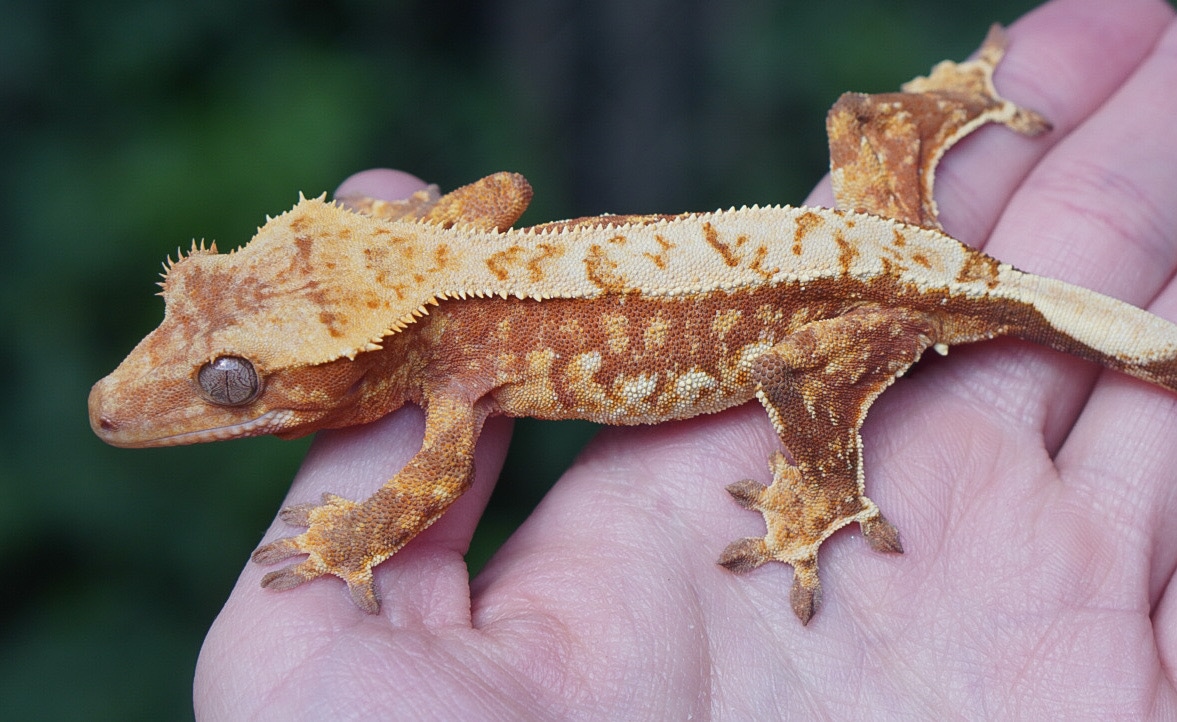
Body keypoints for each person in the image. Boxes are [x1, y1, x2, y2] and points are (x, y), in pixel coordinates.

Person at [195, 0, 1177, 716]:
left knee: (789, 363)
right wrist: (416, 232)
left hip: (879, 290)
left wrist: (351, 537)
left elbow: (437, 470)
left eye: (236, 383)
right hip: (866, 253)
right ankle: (957, 101)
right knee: (859, 123)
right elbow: (500, 186)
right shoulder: (454, 302)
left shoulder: (448, 355)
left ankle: (824, 493)